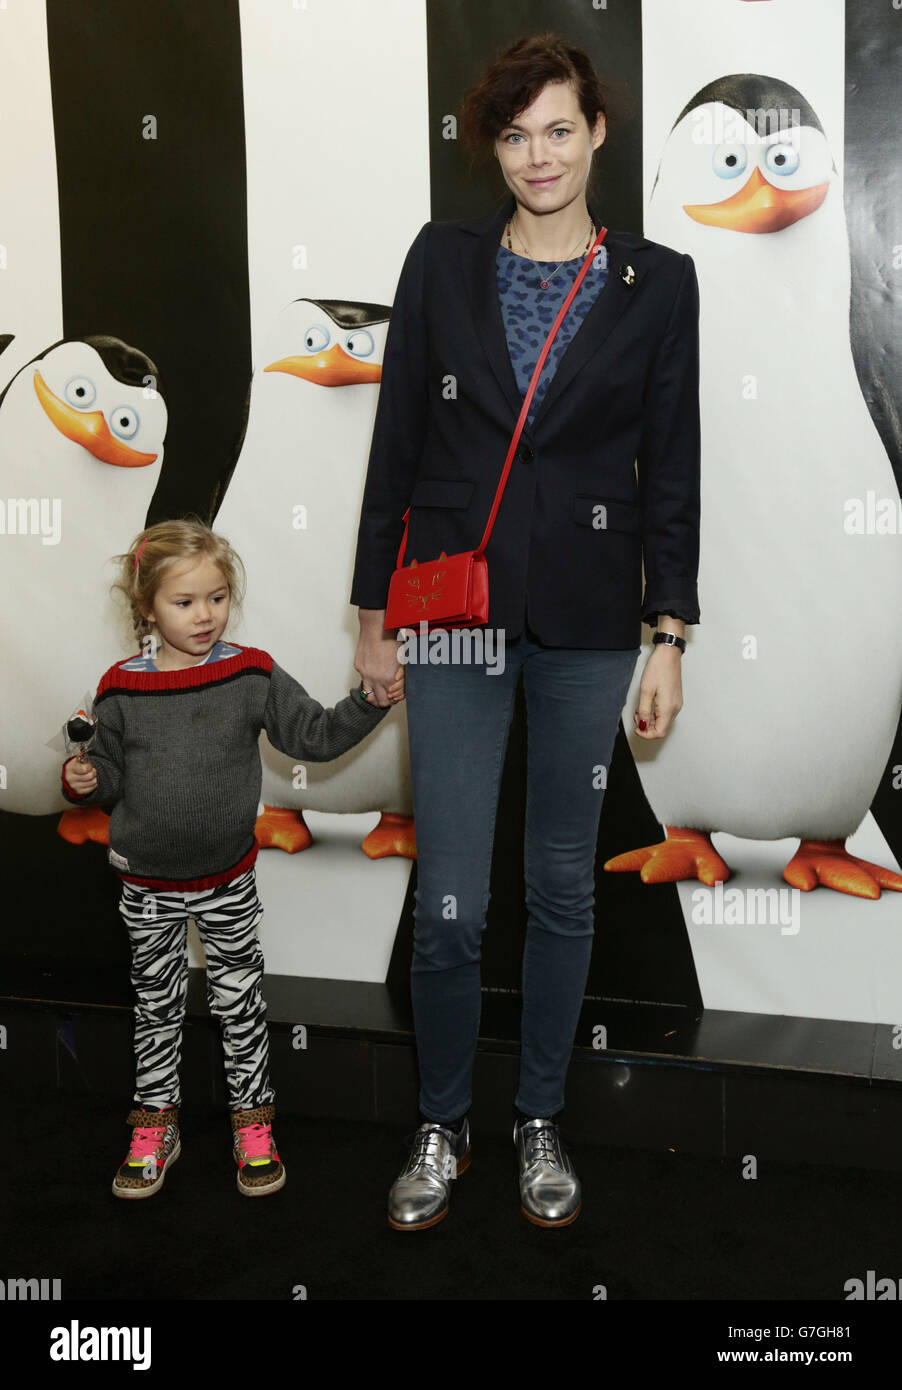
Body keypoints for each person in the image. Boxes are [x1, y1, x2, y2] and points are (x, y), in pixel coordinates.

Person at [350, 32, 700, 1230]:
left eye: (558, 128)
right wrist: (368, 613)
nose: (536, 155)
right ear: (489, 147)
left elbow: (672, 468)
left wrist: (669, 631)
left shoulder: (658, 283)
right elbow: (395, 439)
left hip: (592, 620)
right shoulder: (441, 263)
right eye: (512, 134)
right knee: (450, 893)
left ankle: (537, 1116)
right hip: (452, 614)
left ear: (597, 132)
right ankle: (440, 1123)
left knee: (560, 884)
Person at [62, 517, 403, 1200]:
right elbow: (109, 776)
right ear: (146, 606)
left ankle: (253, 1124)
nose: (205, 615)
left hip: (227, 882)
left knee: (240, 1006)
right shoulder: (119, 687)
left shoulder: (250, 673)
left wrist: (370, 702)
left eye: (217, 597)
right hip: (146, 887)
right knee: (156, 1009)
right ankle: (157, 1123)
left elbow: (312, 735)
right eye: (184, 602)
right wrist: (85, 781)